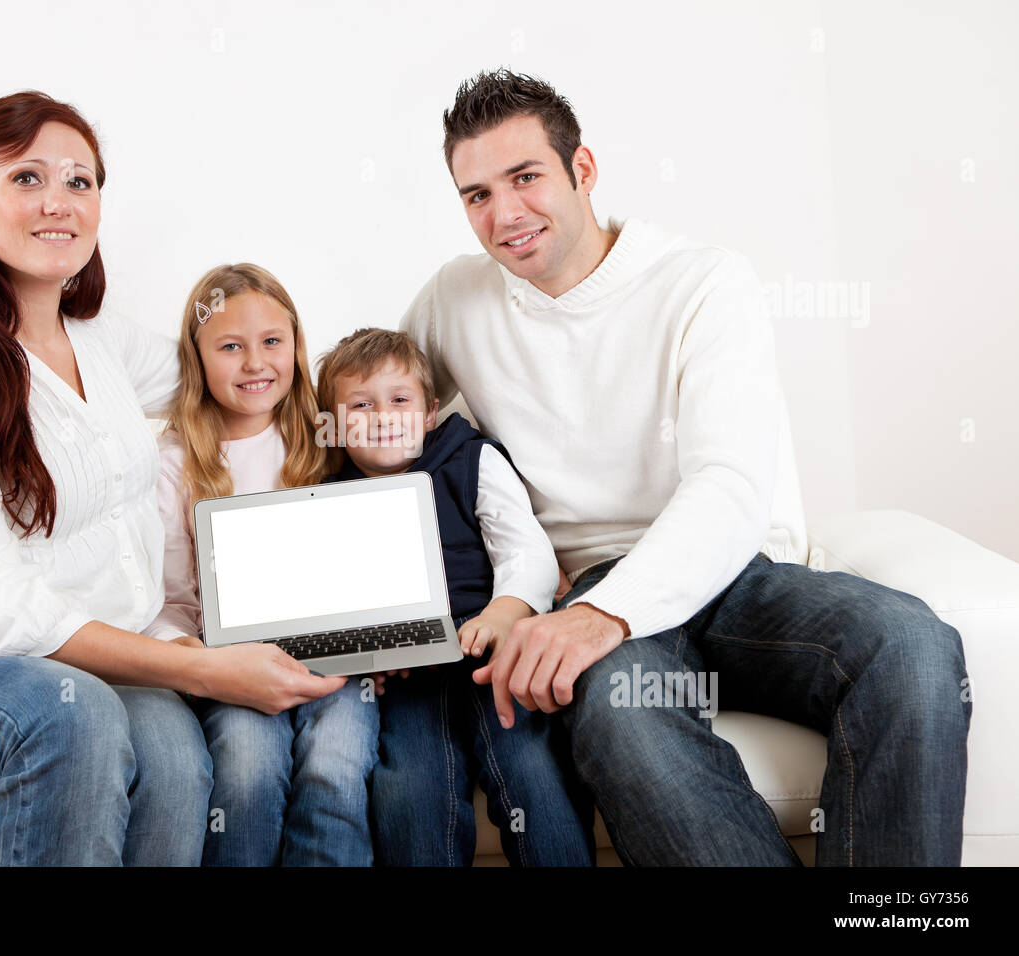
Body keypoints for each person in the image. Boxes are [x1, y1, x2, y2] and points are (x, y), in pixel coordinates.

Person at [399, 69, 971, 866]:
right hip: (586, 579)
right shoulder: (453, 299)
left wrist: (601, 618)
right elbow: (382, 428)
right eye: (476, 195)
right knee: (621, 708)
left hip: (735, 572)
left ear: (583, 169)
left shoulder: (702, 281)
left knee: (911, 642)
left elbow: (730, 487)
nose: (504, 215)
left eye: (525, 178)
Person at [0, 92, 341, 866]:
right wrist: (203, 667)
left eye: (80, 181)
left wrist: (379, 410)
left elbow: (240, 374)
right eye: (27, 179)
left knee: (174, 755)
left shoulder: (104, 346)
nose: (58, 203)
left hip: (94, 671)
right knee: (78, 721)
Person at [313, 327, 595, 866]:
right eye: (360, 405)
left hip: (494, 652)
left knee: (533, 773)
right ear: (331, 424)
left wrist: (504, 612)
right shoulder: (332, 494)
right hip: (410, 673)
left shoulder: (470, 459)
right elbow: (337, 598)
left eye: (400, 400)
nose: (383, 416)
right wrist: (365, 653)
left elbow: (526, 552)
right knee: (411, 792)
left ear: (428, 412)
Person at [149, 263, 378, 866]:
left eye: (272, 342)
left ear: (297, 346)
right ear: (197, 358)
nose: (255, 363)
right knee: (249, 769)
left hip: (335, 654)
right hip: (230, 663)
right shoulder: (174, 463)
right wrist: (206, 665)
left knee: (336, 769)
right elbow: (169, 603)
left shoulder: (329, 435)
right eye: (230, 347)